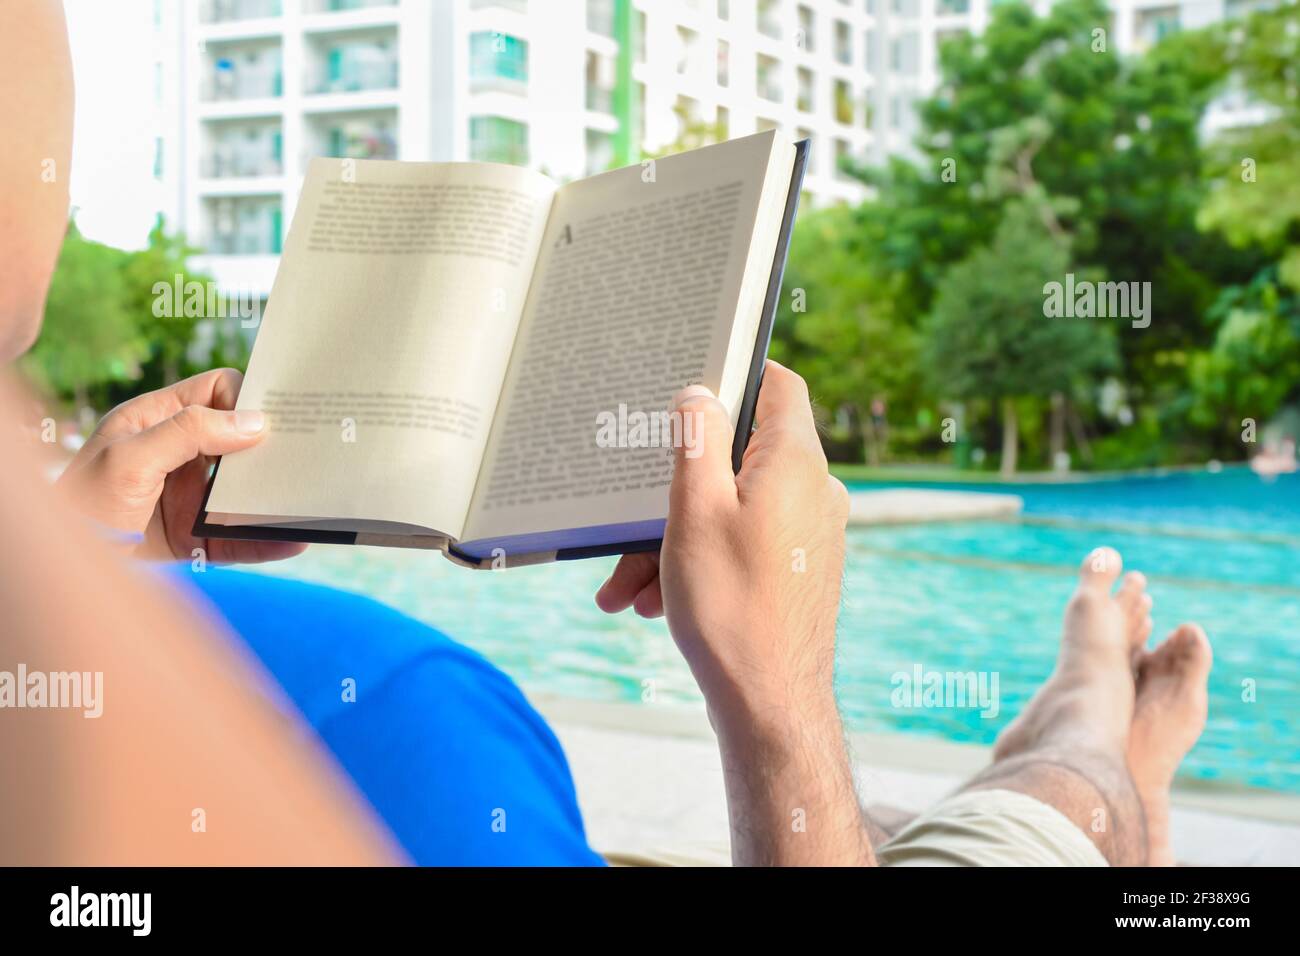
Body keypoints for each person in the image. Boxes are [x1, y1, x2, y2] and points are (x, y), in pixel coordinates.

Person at [1, 0, 1213, 867]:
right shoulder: (388, 711)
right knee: (1053, 810)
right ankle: (1099, 737)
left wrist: (93, 569)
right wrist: (776, 694)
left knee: (925, 822)